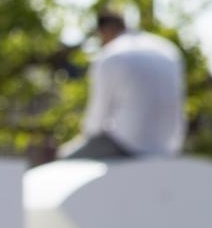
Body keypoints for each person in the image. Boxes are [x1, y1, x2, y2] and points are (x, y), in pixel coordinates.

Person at [59, 9, 186, 160]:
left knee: (65, 157)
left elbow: (96, 120)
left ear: (104, 30)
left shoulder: (110, 54)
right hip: (169, 146)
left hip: (127, 145)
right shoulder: (168, 49)